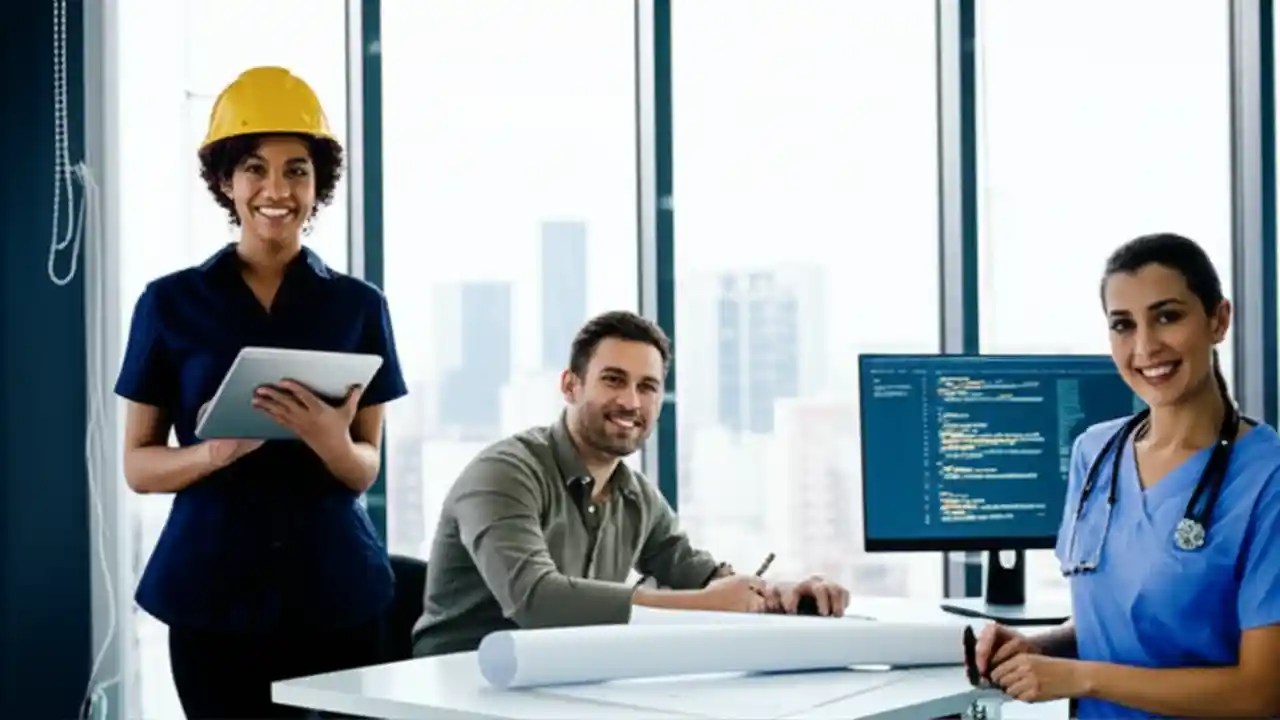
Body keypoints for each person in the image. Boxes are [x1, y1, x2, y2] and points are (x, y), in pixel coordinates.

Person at [115, 66, 408, 719]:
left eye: (296, 171)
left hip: (336, 592)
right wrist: (212, 454)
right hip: (211, 595)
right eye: (254, 169)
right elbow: (138, 466)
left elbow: (365, 467)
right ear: (226, 180)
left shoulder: (359, 307)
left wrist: (331, 440)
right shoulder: (169, 304)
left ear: (317, 184)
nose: (276, 190)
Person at [411, 310, 851, 657]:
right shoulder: (504, 472)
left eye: (648, 387)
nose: (630, 401)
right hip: (458, 685)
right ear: (570, 385)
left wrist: (779, 593)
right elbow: (537, 601)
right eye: (614, 380)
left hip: (561, 681)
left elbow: (699, 574)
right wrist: (710, 603)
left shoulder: (637, 495)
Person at [972, 233, 1280, 717]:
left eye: (1167, 317)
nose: (1145, 346)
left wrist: (1079, 677)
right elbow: (1126, 625)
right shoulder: (1093, 453)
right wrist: (1041, 647)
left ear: (1218, 320)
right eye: (1123, 325)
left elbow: (1262, 692)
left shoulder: (1267, 479)